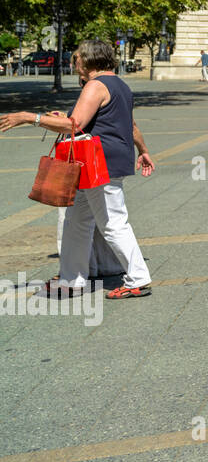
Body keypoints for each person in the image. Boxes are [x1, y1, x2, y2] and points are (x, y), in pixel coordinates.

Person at [0, 39, 154, 298]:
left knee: (113, 222)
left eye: (77, 58)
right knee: (76, 222)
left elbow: (74, 124)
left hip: (99, 163)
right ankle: (73, 279)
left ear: (90, 59)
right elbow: (129, 125)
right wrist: (144, 151)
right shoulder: (120, 85)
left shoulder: (95, 85)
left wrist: (29, 118)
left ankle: (137, 278)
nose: (75, 63)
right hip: (95, 163)